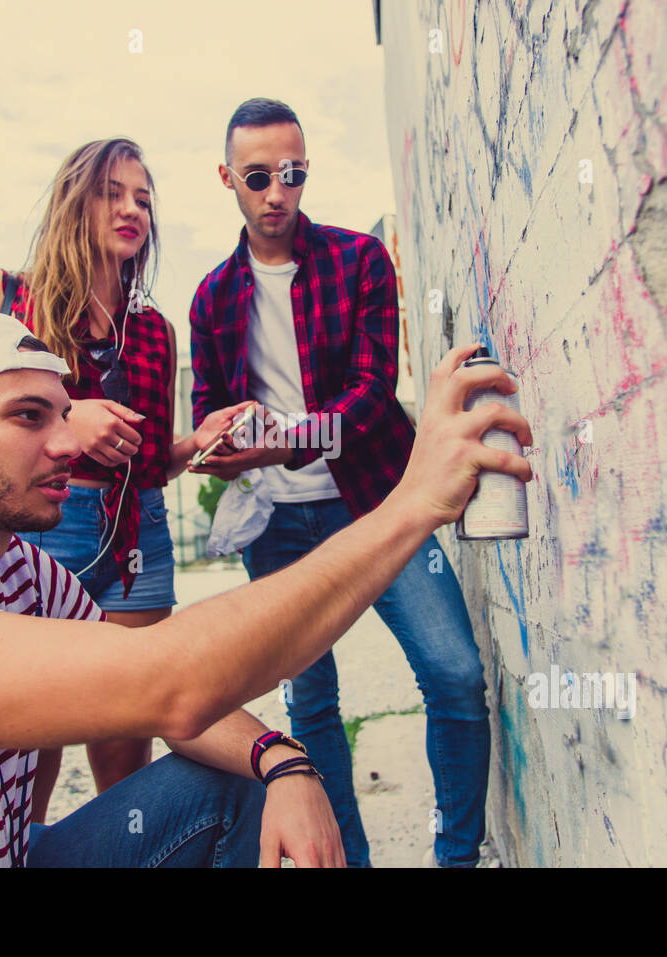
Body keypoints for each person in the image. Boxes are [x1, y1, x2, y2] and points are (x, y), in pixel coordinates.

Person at [0, 310, 532, 868]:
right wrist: (413, 501)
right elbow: (171, 676)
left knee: (233, 789)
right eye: (29, 417)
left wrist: (286, 761)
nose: (68, 442)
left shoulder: (27, 574)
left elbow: (166, 699)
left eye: (63, 412)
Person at [188, 97, 498, 867]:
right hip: (277, 530)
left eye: (291, 173)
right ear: (227, 177)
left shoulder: (359, 260)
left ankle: (456, 857)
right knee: (312, 703)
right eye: (257, 176)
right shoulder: (210, 297)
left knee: (456, 675)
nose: (276, 193)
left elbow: (368, 396)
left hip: (377, 504)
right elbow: (208, 412)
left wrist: (282, 444)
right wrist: (220, 446)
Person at [0, 138, 252, 793]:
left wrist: (198, 440)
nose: (132, 210)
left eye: (143, 200)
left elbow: (152, 463)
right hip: (36, 530)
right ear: (75, 201)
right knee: (30, 746)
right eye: (112, 193)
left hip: (135, 537)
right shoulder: (5, 297)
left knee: (126, 743)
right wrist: (66, 422)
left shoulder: (155, 329)